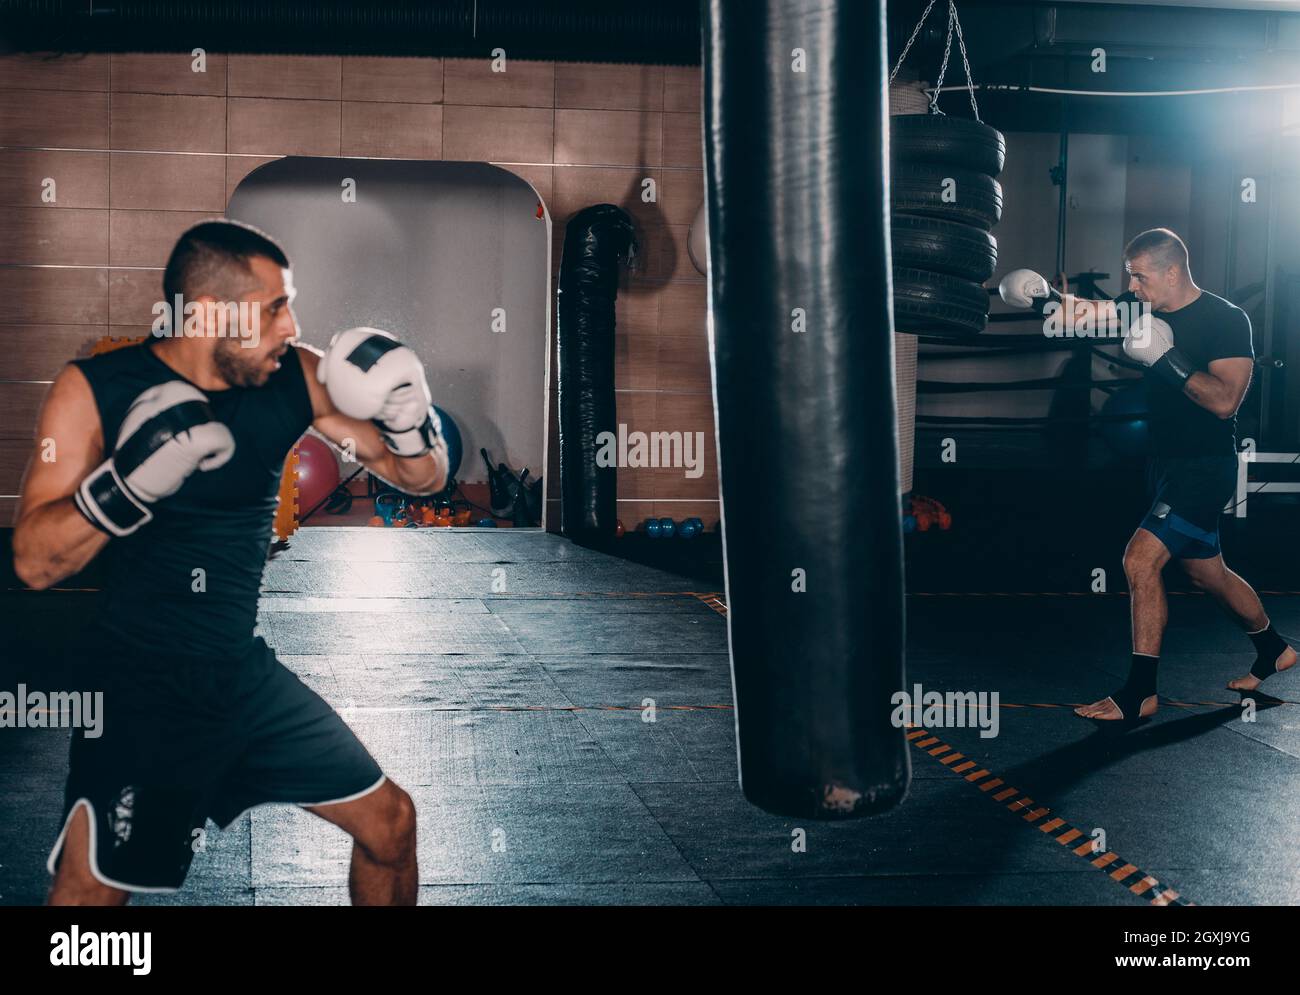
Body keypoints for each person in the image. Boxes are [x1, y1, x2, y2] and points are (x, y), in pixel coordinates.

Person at [11, 219, 448, 903]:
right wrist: (123, 485)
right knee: (91, 900)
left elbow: (418, 477)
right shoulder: (96, 387)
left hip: (242, 678)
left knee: (391, 824)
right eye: (275, 306)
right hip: (140, 692)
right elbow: (35, 561)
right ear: (215, 312)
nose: (291, 324)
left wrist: (409, 420)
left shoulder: (295, 376)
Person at [999, 228, 1296, 722]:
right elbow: (1088, 315)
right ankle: (1273, 650)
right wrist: (1044, 299)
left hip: (1204, 467)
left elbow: (1225, 402)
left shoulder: (1225, 319)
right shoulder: (1141, 306)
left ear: (1172, 271)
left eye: (1138, 276)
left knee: (1139, 561)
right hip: (1164, 465)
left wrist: (1166, 359)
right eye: (1129, 276)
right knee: (1208, 572)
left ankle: (1140, 693)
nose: (1132, 286)